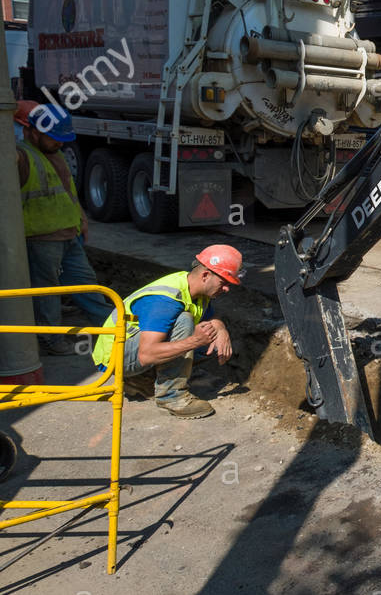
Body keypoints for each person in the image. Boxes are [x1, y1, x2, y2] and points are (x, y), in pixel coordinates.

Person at [91, 245, 243, 419]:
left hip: (134, 347)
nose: (227, 289)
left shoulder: (195, 289)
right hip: (115, 359)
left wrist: (221, 328)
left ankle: (143, 378)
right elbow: (146, 355)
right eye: (224, 283)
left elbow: (211, 315)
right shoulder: (165, 301)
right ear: (205, 275)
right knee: (186, 321)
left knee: (209, 331)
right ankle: (171, 396)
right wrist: (194, 341)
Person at [15, 100, 114, 355]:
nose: (60, 143)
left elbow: (67, 193)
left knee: (86, 285)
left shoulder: (55, 153)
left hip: (70, 234)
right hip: (41, 238)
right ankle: (51, 340)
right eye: (54, 138)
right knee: (47, 291)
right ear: (33, 132)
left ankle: (114, 330)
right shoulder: (21, 156)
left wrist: (81, 218)